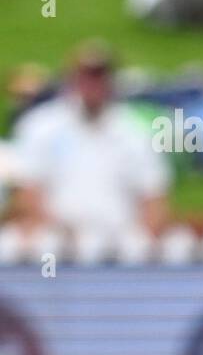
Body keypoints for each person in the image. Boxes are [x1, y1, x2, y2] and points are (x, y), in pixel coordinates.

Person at [11, 42, 170, 239]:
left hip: (118, 245)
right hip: (55, 242)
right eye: (86, 77)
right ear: (71, 79)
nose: (92, 86)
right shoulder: (41, 125)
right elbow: (27, 194)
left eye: (99, 77)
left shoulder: (135, 132)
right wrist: (60, 235)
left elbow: (154, 200)